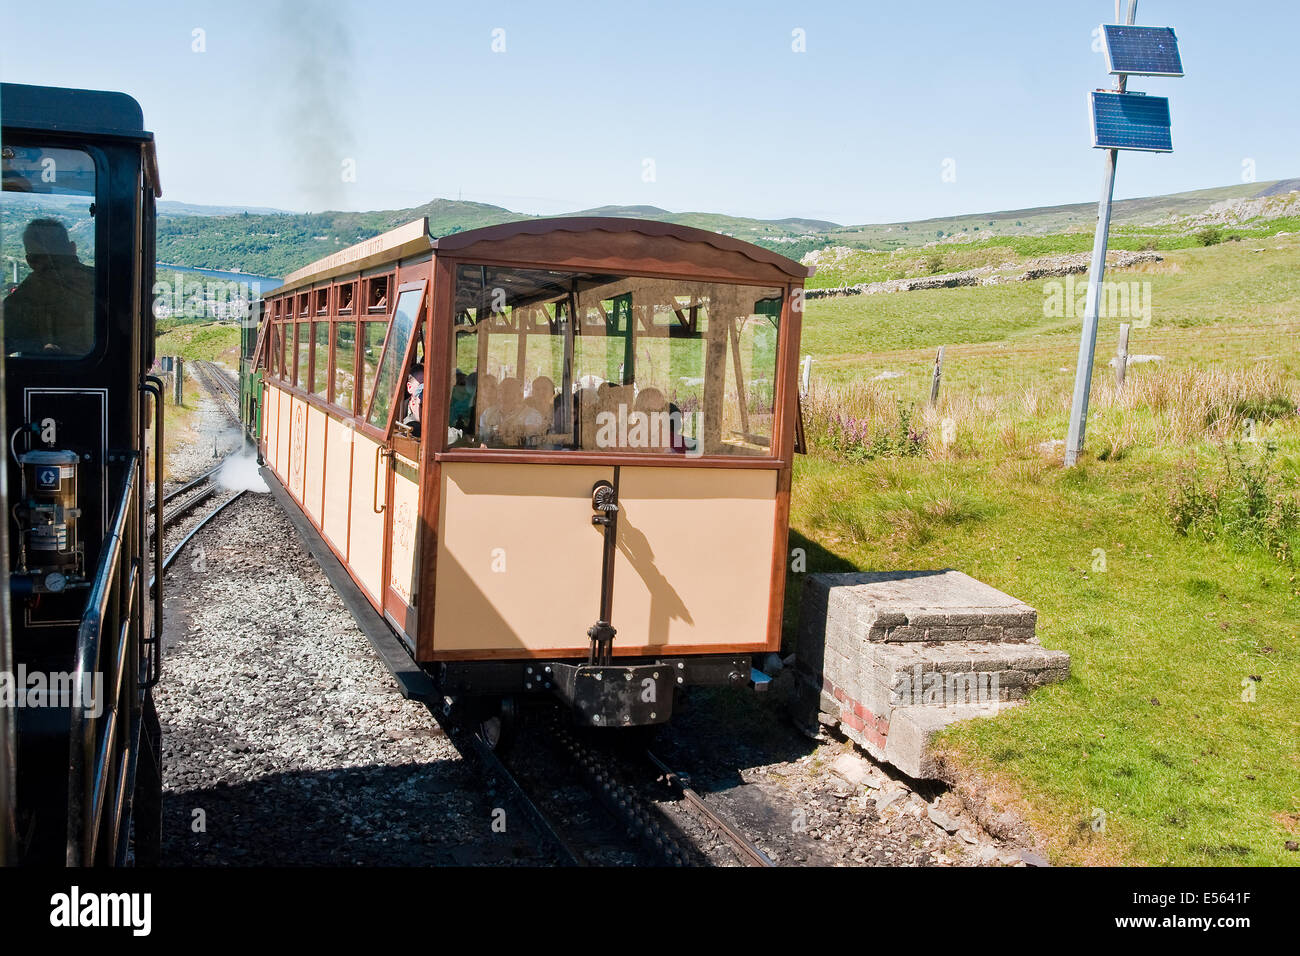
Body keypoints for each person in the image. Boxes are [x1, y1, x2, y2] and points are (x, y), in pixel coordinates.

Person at [4, 218, 95, 356]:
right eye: (42, 260)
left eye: (58, 259)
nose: (54, 271)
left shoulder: (27, 294)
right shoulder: (105, 282)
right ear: (73, 249)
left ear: (29, 261)